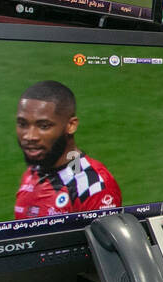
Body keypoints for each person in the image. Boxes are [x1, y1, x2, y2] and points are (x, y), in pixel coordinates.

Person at [14, 81, 121, 219]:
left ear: (71, 125)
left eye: (44, 126)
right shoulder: (33, 171)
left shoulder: (93, 186)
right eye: (23, 124)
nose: (29, 136)